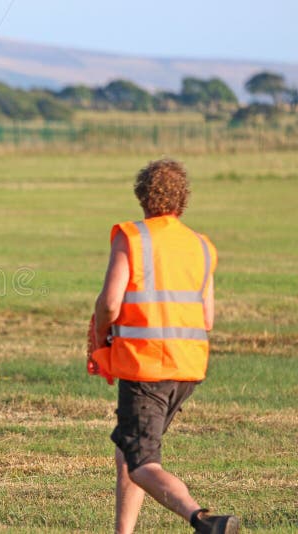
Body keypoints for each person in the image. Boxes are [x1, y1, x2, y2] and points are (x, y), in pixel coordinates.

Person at [91, 159, 239, 533]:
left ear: (142, 195)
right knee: (131, 447)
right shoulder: (202, 246)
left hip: (146, 367)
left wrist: (100, 336)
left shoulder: (132, 237)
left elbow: (109, 303)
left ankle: (203, 519)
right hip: (187, 368)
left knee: (143, 463)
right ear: (182, 199)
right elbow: (207, 319)